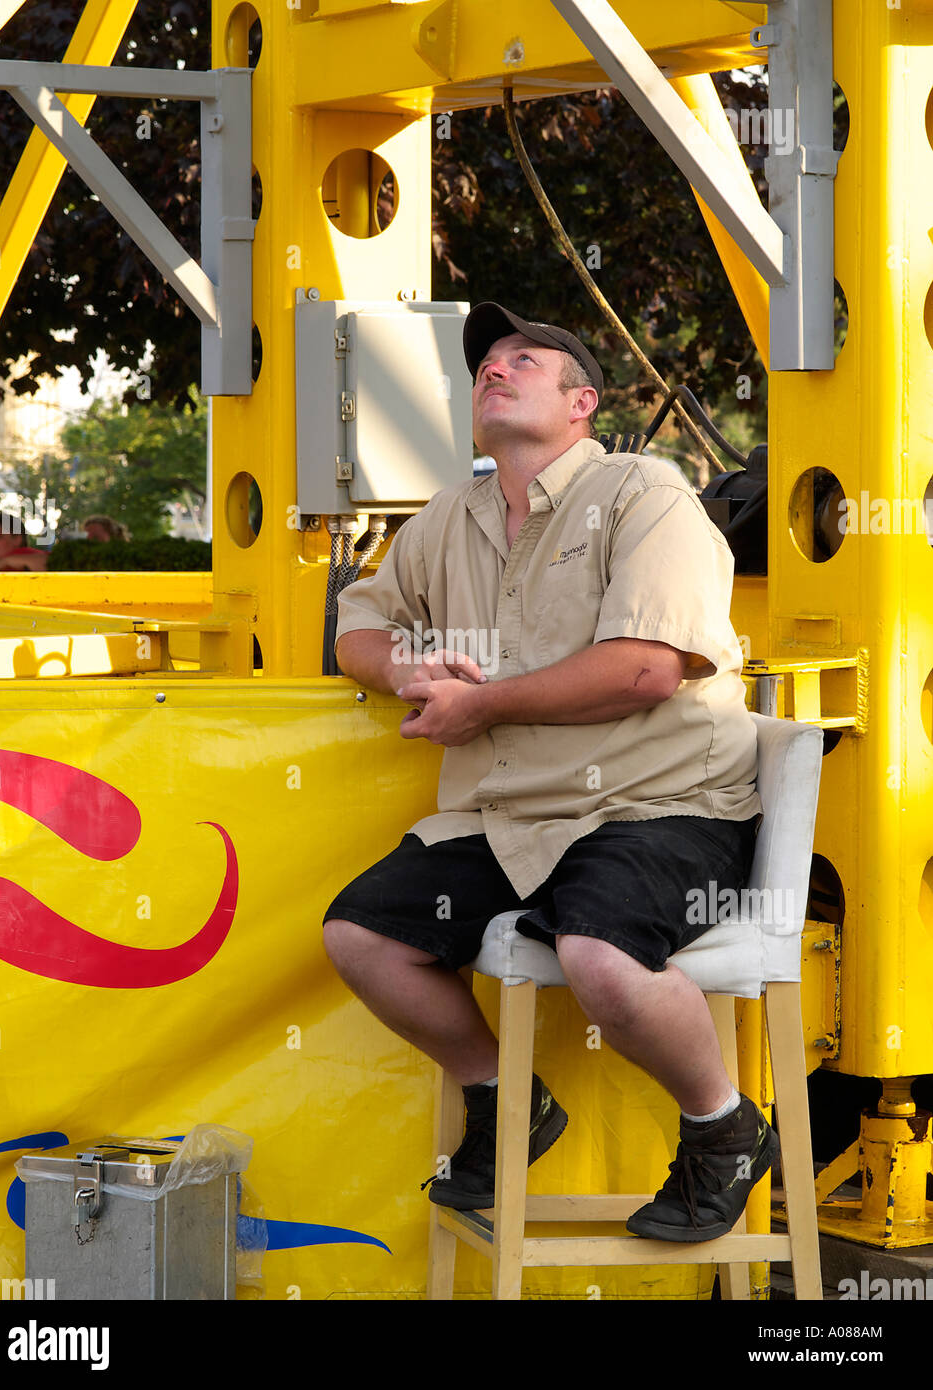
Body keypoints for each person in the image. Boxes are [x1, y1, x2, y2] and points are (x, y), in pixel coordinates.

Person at [322, 301, 772, 1243]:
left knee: (600, 959)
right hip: (515, 818)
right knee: (361, 937)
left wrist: (478, 704)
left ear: (582, 404)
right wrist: (405, 670)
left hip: (661, 806)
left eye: (524, 360)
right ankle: (508, 1099)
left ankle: (721, 1127)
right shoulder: (450, 514)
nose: (494, 367)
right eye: (486, 361)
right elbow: (354, 626)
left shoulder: (646, 491)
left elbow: (648, 667)